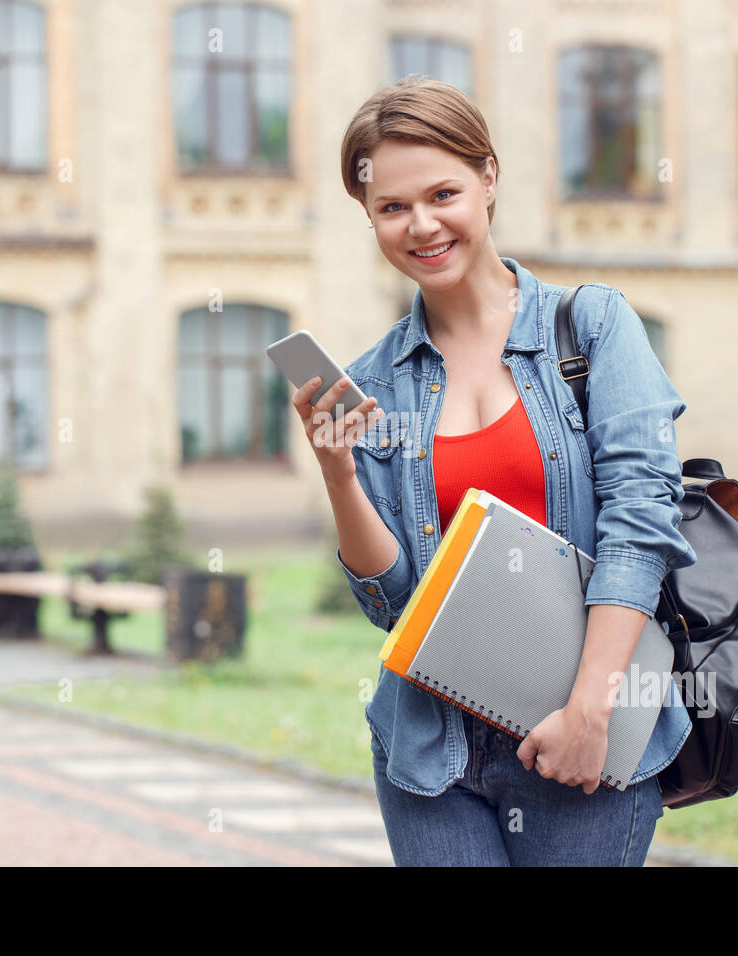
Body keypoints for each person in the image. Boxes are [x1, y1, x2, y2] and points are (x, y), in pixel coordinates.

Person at [291, 76, 697, 866]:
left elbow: (641, 522)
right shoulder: (373, 384)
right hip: (429, 756)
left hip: (583, 736)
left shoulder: (594, 327)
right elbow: (398, 605)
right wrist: (338, 474)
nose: (422, 225)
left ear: (488, 178)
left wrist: (590, 710)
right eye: (392, 207)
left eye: (442, 192)